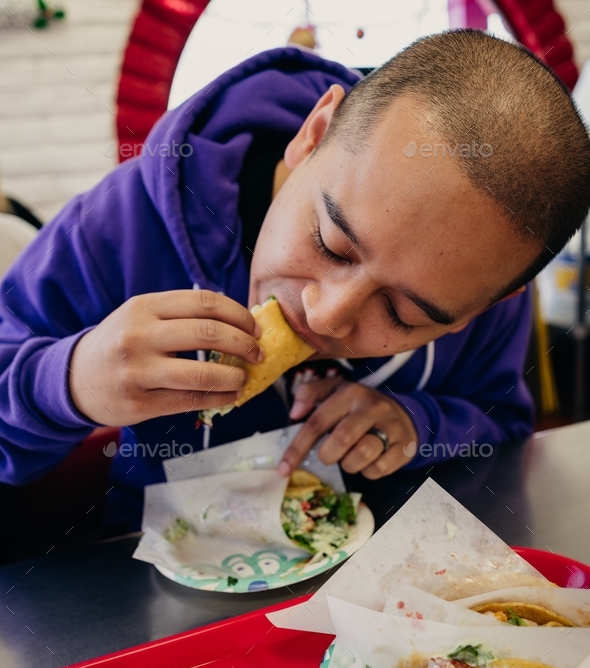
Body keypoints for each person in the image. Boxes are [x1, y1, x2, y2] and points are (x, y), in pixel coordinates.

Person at [0, 30, 589, 536]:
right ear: (314, 133)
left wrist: (418, 424)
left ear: (490, 304)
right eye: (332, 243)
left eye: (404, 315)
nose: (327, 316)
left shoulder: (486, 280)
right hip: (159, 584)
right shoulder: (117, 225)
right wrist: (72, 382)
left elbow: (504, 428)